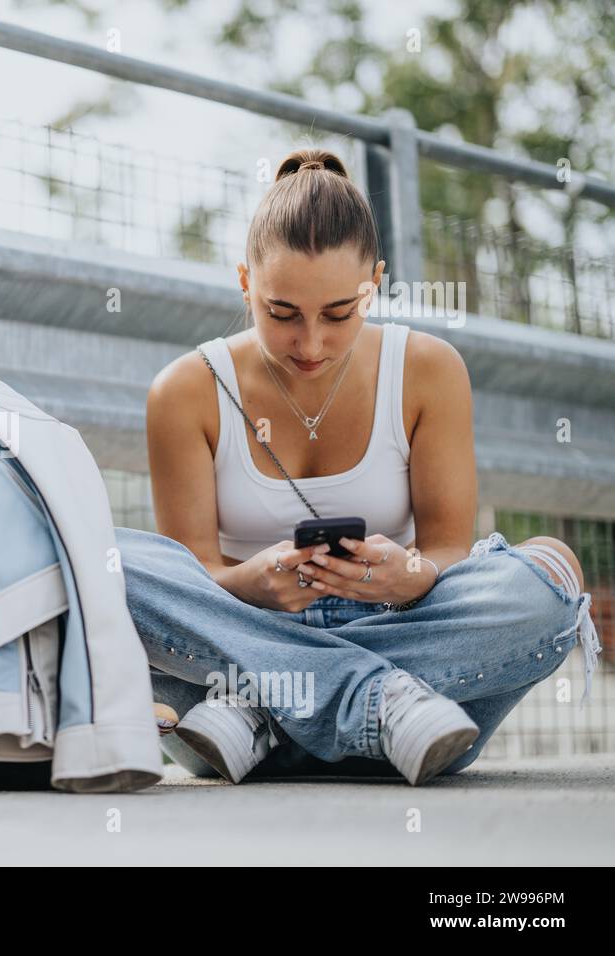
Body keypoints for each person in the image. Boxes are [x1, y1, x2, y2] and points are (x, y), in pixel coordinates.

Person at [118, 148, 602, 786]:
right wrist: (250, 585)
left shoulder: (428, 370)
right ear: (244, 284)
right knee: (109, 562)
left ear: (373, 283)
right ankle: (378, 703)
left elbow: (448, 547)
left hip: (251, 698)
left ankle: (266, 710)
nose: (311, 345)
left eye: (339, 314)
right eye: (281, 313)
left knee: (548, 579)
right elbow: (192, 574)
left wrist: (411, 576)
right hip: (328, 673)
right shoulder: (185, 389)